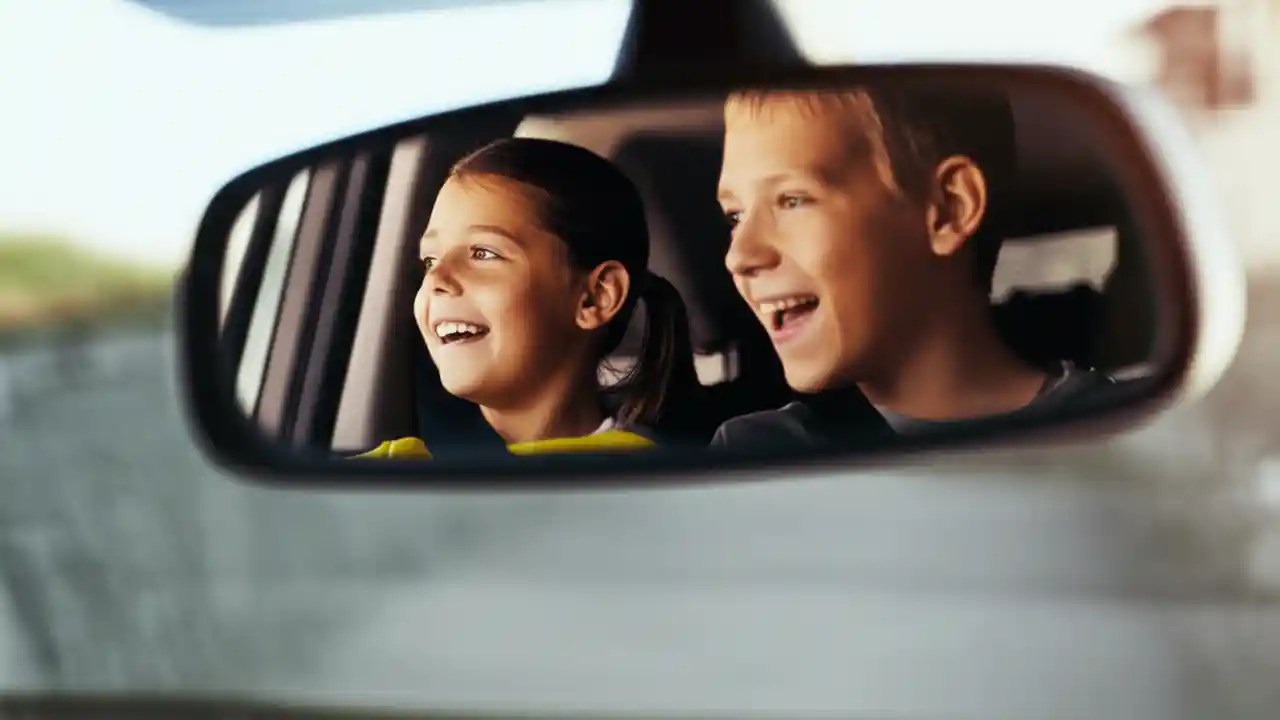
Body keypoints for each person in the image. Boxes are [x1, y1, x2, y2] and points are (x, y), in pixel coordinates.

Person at [711, 86, 1113, 449]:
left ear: (948, 209)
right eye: (735, 216)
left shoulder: (1111, 431)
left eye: (791, 200)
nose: (739, 256)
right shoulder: (759, 450)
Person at [357, 137, 700, 459]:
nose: (437, 279)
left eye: (483, 253)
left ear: (594, 298)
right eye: (430, 260)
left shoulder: (641, 474)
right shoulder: (399, 466)